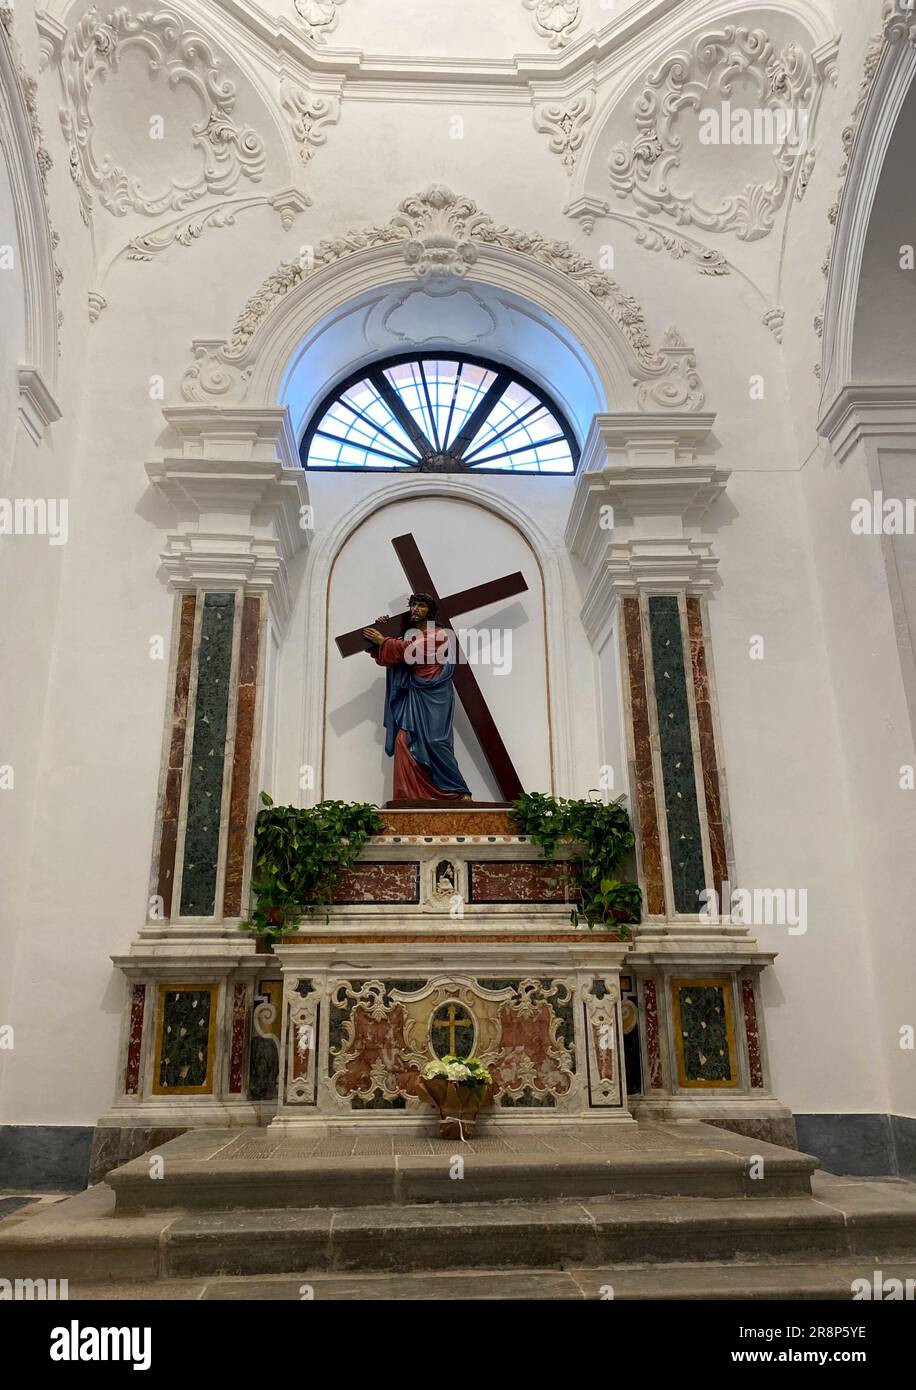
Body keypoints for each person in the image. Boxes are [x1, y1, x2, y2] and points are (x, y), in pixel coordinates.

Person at [362, 593, 472, 801]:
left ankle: (459, 792)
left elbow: (412, 651)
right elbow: (393, 655)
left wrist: (384, 640)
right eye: (413, 605)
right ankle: (408, 797)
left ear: (429, 611)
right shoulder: (407, 636)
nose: (415, 609)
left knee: (436, 741)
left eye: (421, 606)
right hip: (414, 694)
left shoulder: (439, 634)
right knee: (403, 740)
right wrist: (383, 632)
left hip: (436, 694)